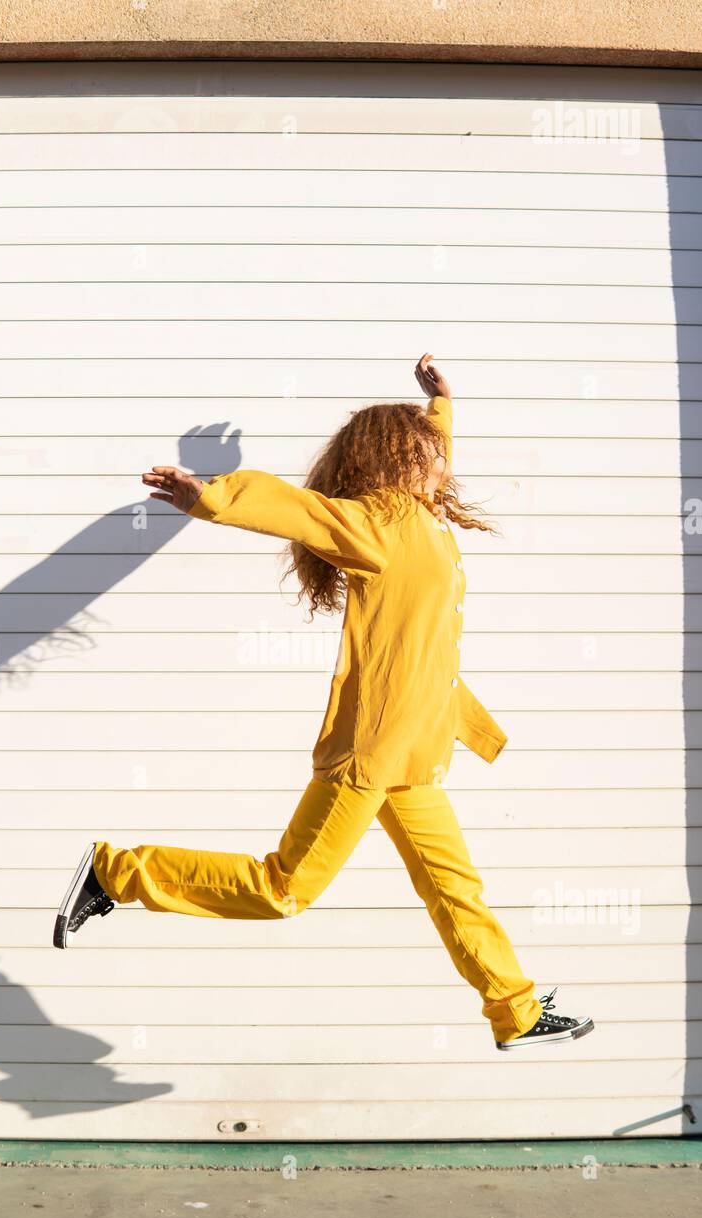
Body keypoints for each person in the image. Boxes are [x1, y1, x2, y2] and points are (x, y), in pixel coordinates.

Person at [53, 354, 593, 1051]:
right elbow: (298, 511)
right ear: (398, 462)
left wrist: (442, 407)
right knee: (284, 890)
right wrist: (211, 497)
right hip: (372, 755)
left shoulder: (424, 520)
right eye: (428, 451)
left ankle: (515, 1012)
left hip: (415, 757)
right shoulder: (378, 523)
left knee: (457, 890)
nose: (442, 461)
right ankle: (116, 871)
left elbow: (434, 457)